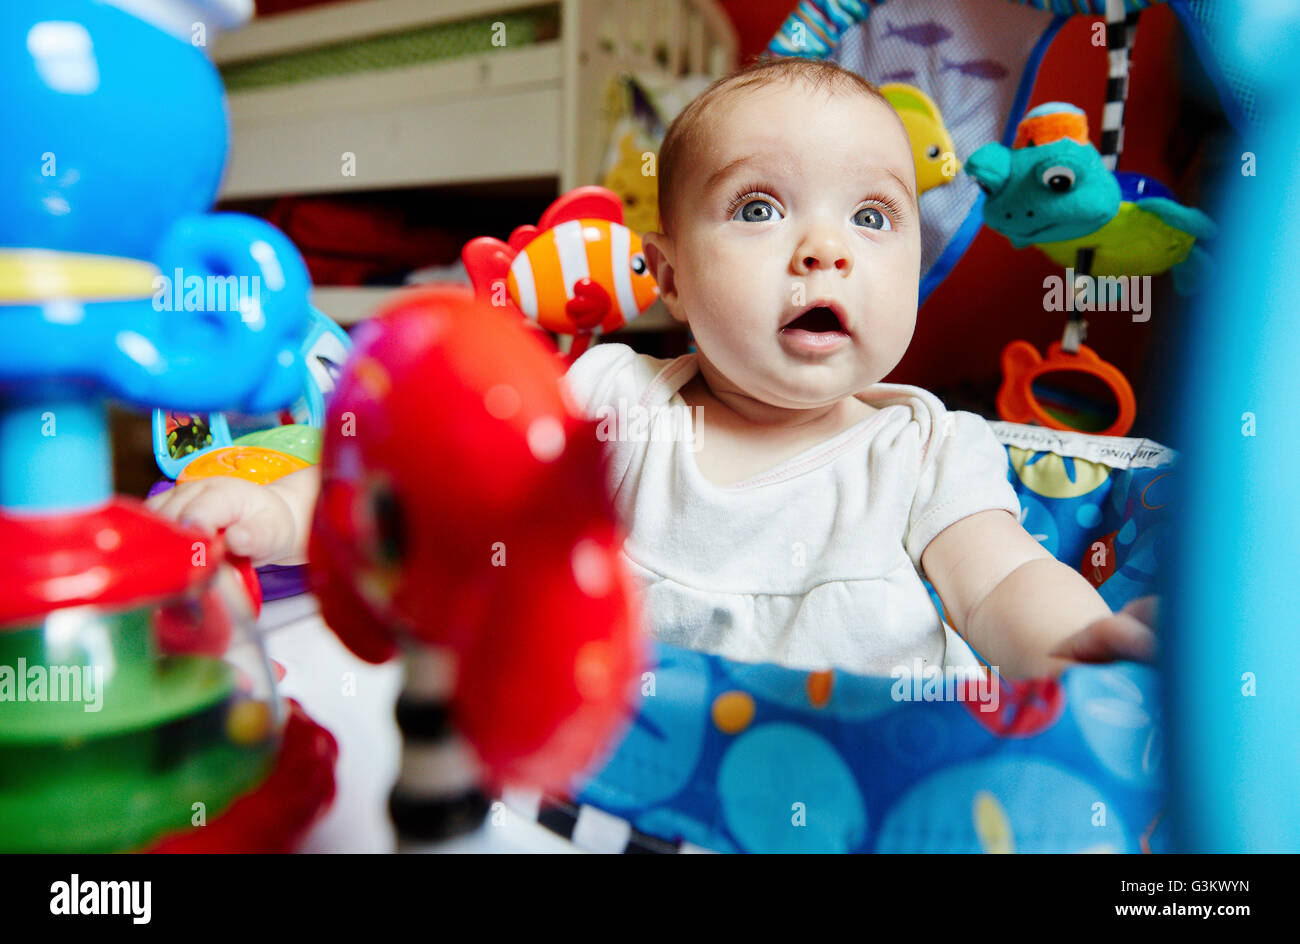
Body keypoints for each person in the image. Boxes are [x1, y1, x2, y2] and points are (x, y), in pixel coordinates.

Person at [149, 57, 1155, 679]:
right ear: (667, 277)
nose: (823, 249)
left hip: (859, 793)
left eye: (871, 215)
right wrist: (292, 509)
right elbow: (439, 483)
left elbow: (1004, 581)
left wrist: (1081, 643)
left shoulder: (929, 444)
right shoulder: (610, 401)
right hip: (623, 787)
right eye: (759, 208)